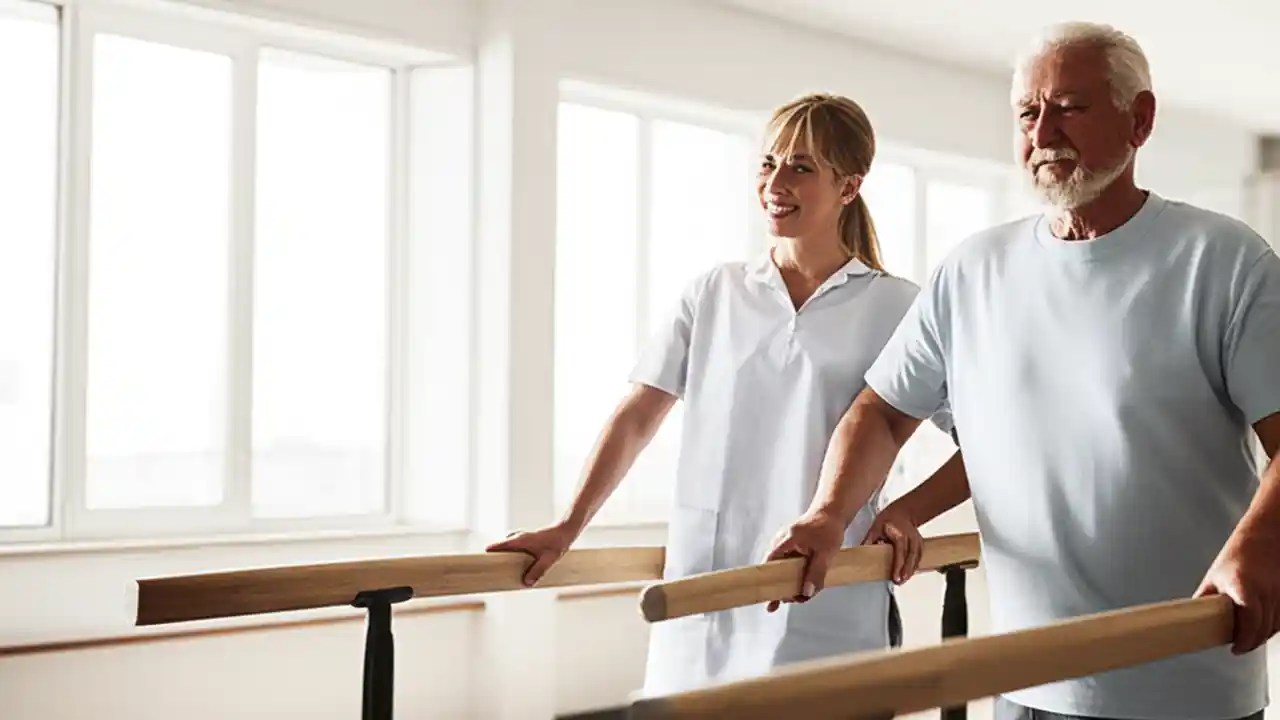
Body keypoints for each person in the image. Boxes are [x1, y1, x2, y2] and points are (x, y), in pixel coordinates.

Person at [767, 21, 1280, 720]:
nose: (1044, 132)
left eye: (1070, 107)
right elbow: (883, 412)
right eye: (1028, 113)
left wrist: (1258, 548)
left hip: (1187, 686)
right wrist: (829, 515)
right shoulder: (973, 271)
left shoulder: (1224, 262)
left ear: (1141, 120)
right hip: (1022, 681)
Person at [487, 93, 953, 695]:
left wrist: (908, 512)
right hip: (704, 591)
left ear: (849, 186)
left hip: (826, 595)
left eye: (802, 167)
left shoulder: (898, 306)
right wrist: (568, 523)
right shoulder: (715, 292)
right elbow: (637, 416)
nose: (776, 182)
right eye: (768, 163)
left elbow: (981, 436)